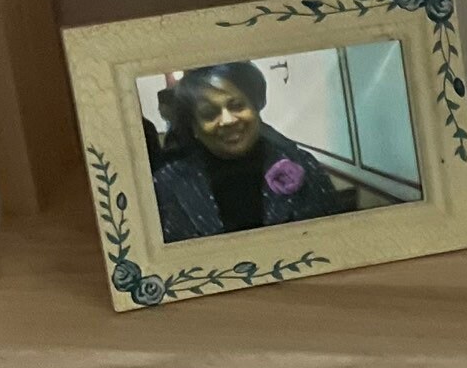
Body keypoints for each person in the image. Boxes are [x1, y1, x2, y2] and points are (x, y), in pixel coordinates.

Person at [149, 63, 359, 242]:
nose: (228, 120)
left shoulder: (302, 164)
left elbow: (335, 241)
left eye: (237, 106)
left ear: (256, 106)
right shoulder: (167, 185)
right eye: (209, 113)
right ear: (194, 127)